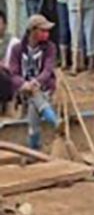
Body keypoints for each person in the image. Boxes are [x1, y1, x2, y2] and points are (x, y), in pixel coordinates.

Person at [10, 15, 60, 149]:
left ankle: (34, 148)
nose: (46, 34)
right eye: (43, 30)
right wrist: (23, 84)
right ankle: (53, 119)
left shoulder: (50, 48)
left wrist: (35, 82)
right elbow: (13, 74)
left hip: (43, 89)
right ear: (33, 31)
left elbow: (48, 70)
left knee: (34, 103)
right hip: (24, 91)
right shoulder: (17, 49)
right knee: (33, 97)